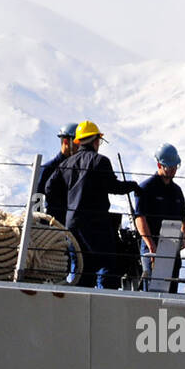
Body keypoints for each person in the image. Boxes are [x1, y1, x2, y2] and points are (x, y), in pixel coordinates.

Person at [42, 120, 139, 289]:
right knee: (106, 264)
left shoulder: (66, 164)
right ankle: (104, 301)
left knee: (80, 267)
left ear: (79, 141)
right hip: (96, 224)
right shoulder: (100, 161)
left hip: (72, 225)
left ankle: (76, 303)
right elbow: (113, 187)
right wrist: (133, 185)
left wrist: (67, 207)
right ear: (95, 141)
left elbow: (49, 187)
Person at [135, 143, 185, 292]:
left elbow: (184, 216)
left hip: (172, 248)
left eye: (175, 167)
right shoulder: (146, 188)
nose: (173, 170)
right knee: (152, 293)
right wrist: (152, 246)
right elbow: (140, 218)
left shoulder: (177, 191)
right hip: (153, 248)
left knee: (171, 291)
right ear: (159, 165)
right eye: (169, 167)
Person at [39, 123, 77, 225]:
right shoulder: (47, 169)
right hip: (51, 225)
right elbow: (37, 201)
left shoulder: (79, 169)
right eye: (77, 143)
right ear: (66, 141)